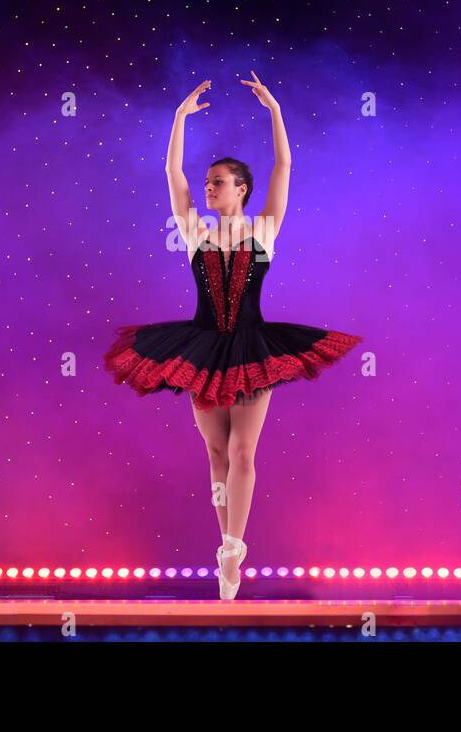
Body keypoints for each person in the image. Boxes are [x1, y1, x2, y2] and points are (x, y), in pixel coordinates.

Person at [102, 72, 364, 599]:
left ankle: (233, 549)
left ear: (240, 189)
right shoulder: (194, 230)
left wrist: (274, 109)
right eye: (208, 182)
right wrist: (178, 118)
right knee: (216, 456)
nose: (208, 187)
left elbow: (285, 166)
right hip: (200, 347)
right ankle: (226, 546)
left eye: (217, 181)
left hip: (250, 347)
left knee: (243, 452)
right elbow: (172, 171)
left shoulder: (263, 228)